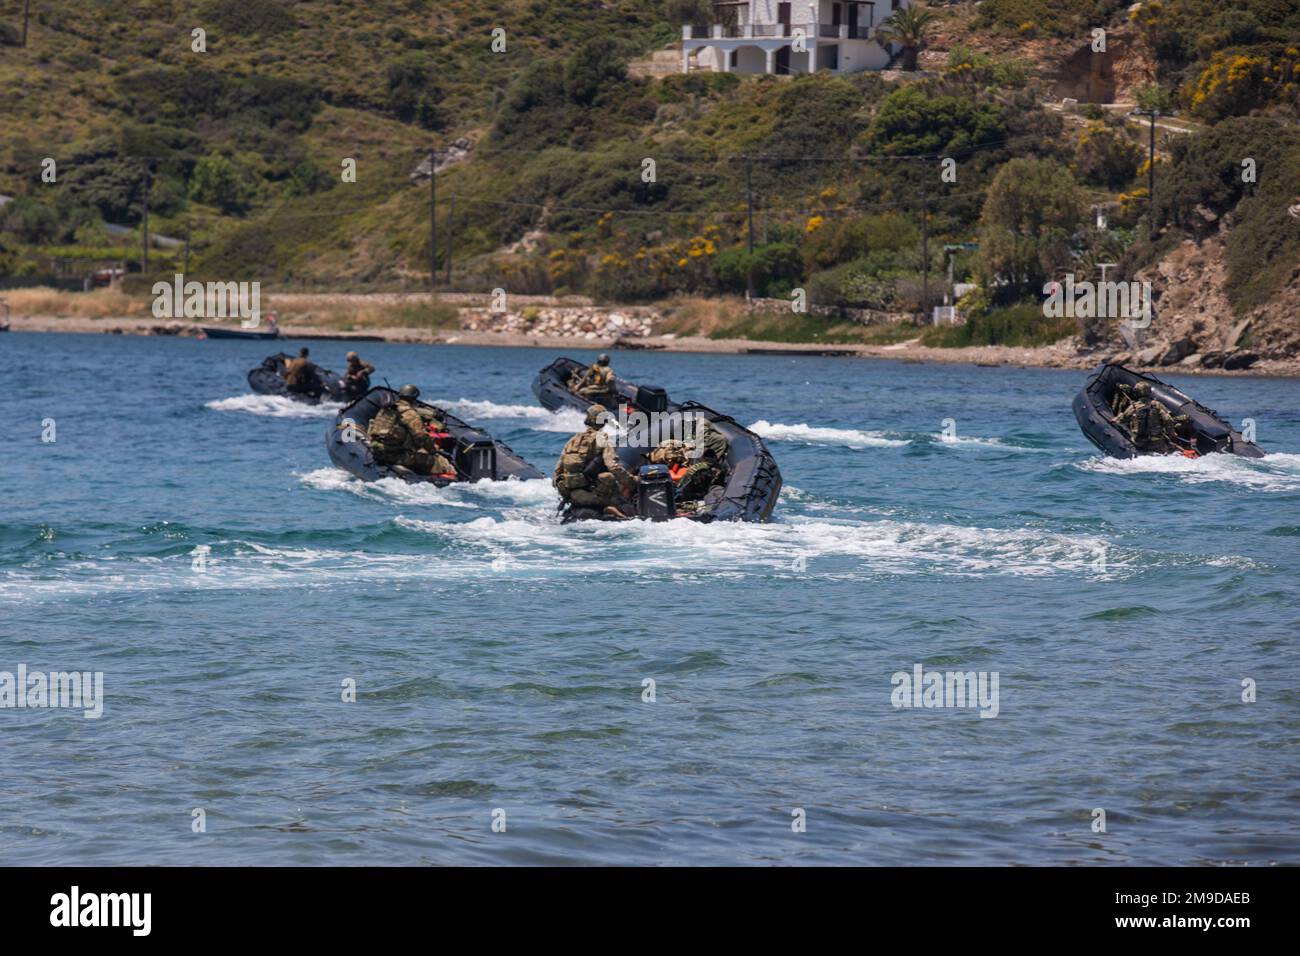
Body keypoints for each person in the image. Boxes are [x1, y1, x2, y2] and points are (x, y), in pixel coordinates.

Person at [553, 403, 637, 517]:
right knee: (609, 478)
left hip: (572, 496)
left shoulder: (573, 440)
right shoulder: (602, 439)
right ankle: (615, 509)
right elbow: (613, 467)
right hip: (594, 496)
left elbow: (558, 470)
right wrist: (632, 482)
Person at [367, 384, 456, 476]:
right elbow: (421, 437)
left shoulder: (386, 409)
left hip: (377, 451)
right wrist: (433, 450)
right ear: (414, 398)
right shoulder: (410, 414)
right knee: (436, 461)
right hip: (394, 456)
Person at [1115, 381, 1189, 454]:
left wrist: (1118, 417)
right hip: (1156, 443)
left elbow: (1121, 420)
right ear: (1149, 392)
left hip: (1139, 443)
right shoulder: (1157, 405)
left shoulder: (1133, 407)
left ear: (1136, 393)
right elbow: (1167, 419)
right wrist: (1172, 433)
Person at [647, 438, 720, 507]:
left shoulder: (698, 458)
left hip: (697, 492)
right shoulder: (659, 463)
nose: (670, 459)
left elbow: (711, 471)